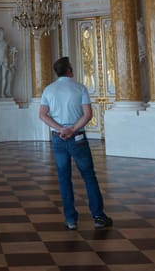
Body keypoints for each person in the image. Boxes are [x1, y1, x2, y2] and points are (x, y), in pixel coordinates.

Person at [39, 56, 112, 230]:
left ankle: (70, 219)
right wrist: (72, 129)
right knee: (88, 176)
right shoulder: (80, 88)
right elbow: (87, 115)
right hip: (77, 137)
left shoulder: (48, 90)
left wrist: (60, 129)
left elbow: (42, 114)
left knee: (64, 178)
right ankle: (98, 216)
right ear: (69, 70)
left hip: (58, 138)